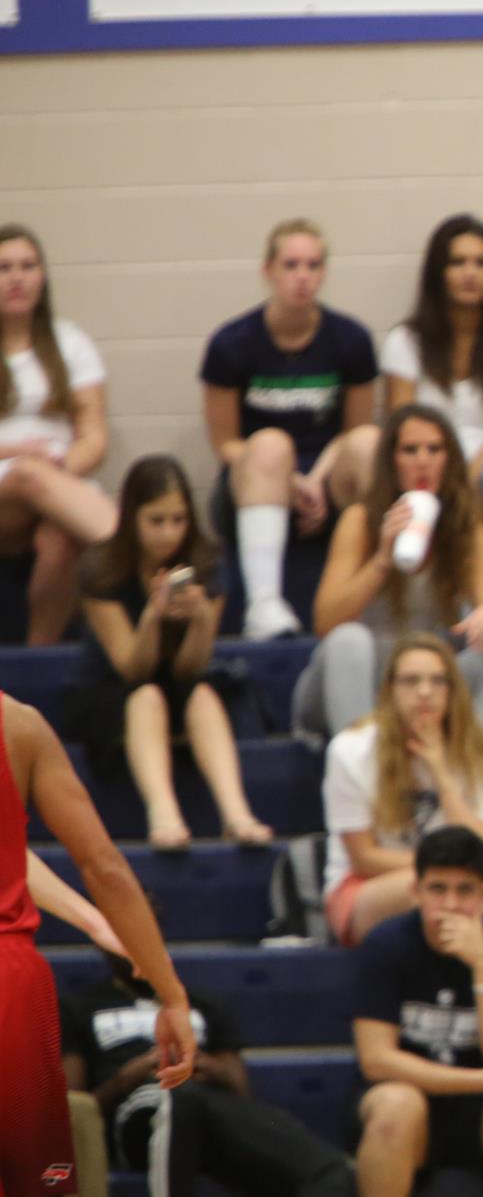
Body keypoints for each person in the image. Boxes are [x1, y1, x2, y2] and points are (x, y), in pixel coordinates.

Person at [1, 691, 196, 1197]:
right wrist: (169, 992)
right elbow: (104, 866)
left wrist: (90, 920)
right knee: (38, 1183)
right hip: (11, 984)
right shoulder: (19, 723)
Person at [295, 403, 483, 750]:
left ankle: (477, 774)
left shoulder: (465, 524)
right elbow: (326, 623)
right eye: (410, 450)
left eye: (434, 449)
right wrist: (381, 561)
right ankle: (365, 772)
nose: (423, 460)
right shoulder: (360, 520)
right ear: (391, 460)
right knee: (348, 641)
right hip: (360, 677)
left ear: (449, 459)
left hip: (425, 682)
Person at [351, 826, 483, 1197]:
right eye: (437, 889)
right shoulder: (384, 946)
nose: (450, 904)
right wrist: (482, 1080)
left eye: (465, 890)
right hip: (407, 1107)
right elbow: (376, 1060)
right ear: (415, 892)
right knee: (398, 1105)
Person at [60, 934, 354, 1196]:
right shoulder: (81, 1006)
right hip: (135, 1116)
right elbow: (78, 1109)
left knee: (332, 1173)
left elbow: (239, 1088)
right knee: (183, 1098)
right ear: (100, 941)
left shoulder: (202, 1002)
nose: (134, 944)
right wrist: (130, 1076)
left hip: (207, 1106)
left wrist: (204, 1063)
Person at [75, 456, 270, 850]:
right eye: (156, 521)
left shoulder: (206, 563)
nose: (168, 534)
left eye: (178, 520)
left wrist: (199, 620)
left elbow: (190, 668)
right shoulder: (102, 569)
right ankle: (163, 813)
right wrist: (152, 617)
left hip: (181, 685)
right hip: (115, 691)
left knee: (202, 694)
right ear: (132, 518)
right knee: (147, 696)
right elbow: (132, 667)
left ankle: (236, 814)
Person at [199, 218, 379, 640]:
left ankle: (367, 597)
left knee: (372, 445)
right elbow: (225, 443)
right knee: (272, 445)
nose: (302, 277)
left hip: (327, 476)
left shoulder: (351, 340)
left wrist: (315, 481)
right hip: (255, 478)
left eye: (313, 266)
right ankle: (264, 606)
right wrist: (289, 479)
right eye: (291, 265)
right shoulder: (231, 344)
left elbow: (355, 433)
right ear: (268, 271)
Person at [320, 633, 483, 948]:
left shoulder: (473, 750)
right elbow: (364, 857)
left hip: (452, 882)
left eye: (438, 681)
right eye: (411, 681)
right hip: (365, 887)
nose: (425, 692)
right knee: (441, 899)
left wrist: (440, 771)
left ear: (452, 691)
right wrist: (453, 871)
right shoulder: (351, 750)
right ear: (390, 691)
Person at [382, 215, 483, 551]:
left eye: (481, 263)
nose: (470, 273)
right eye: (458, 262)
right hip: (424, 459)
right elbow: (402, 426)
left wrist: (462, 485)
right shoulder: (405, 341)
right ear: (438, 272)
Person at [0, 224, 117, 645]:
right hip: (8, 486)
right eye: (4, 267)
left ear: (43, 276)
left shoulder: (71, 344)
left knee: (61, 535)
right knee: (30, 474)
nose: (17, 278)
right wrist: (16, 451)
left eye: (27, 266)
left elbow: (93, 438)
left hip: (56, 479)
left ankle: (38, 656)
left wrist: (61, 464)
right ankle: (132, 551)